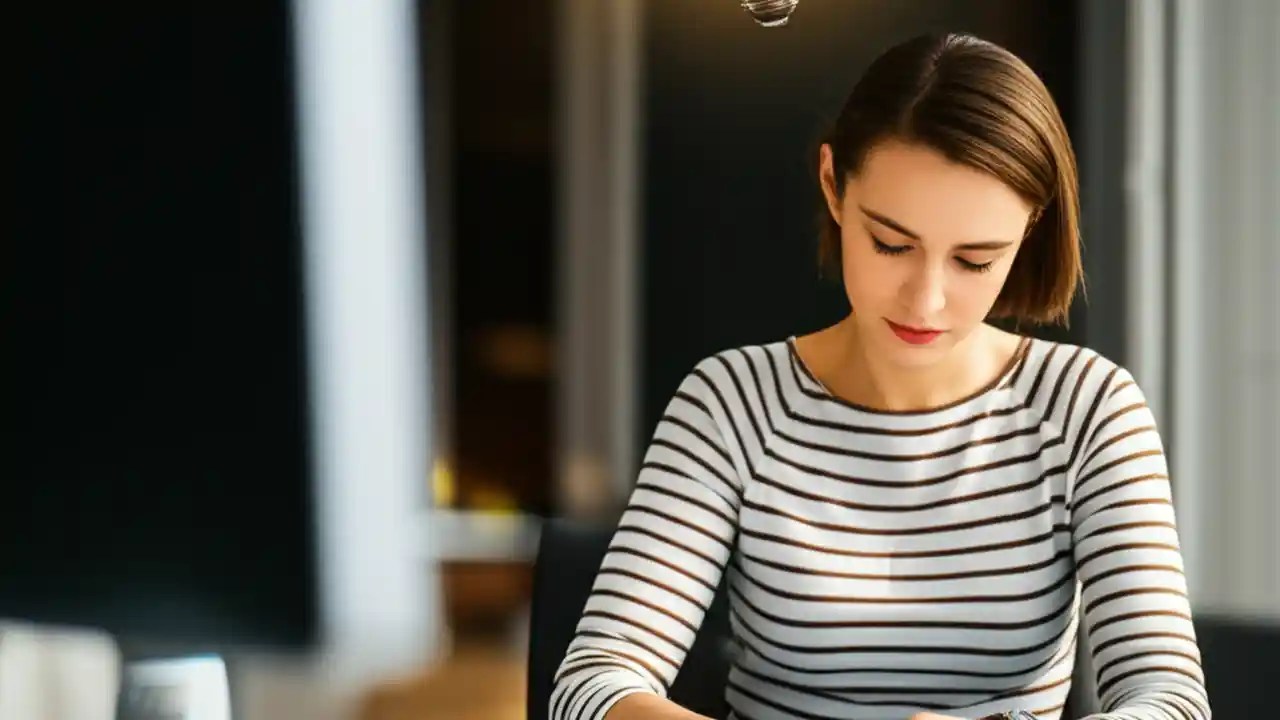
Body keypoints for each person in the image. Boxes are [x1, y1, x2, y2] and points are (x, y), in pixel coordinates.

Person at [549, 32, 1209, 720]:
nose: (925, 301)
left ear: (1031, 228)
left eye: (975, 261)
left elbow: (1172, 704)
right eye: (892, 244)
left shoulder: (1089, 409)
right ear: (833, 185)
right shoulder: (731, 404)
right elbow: (592, 686)